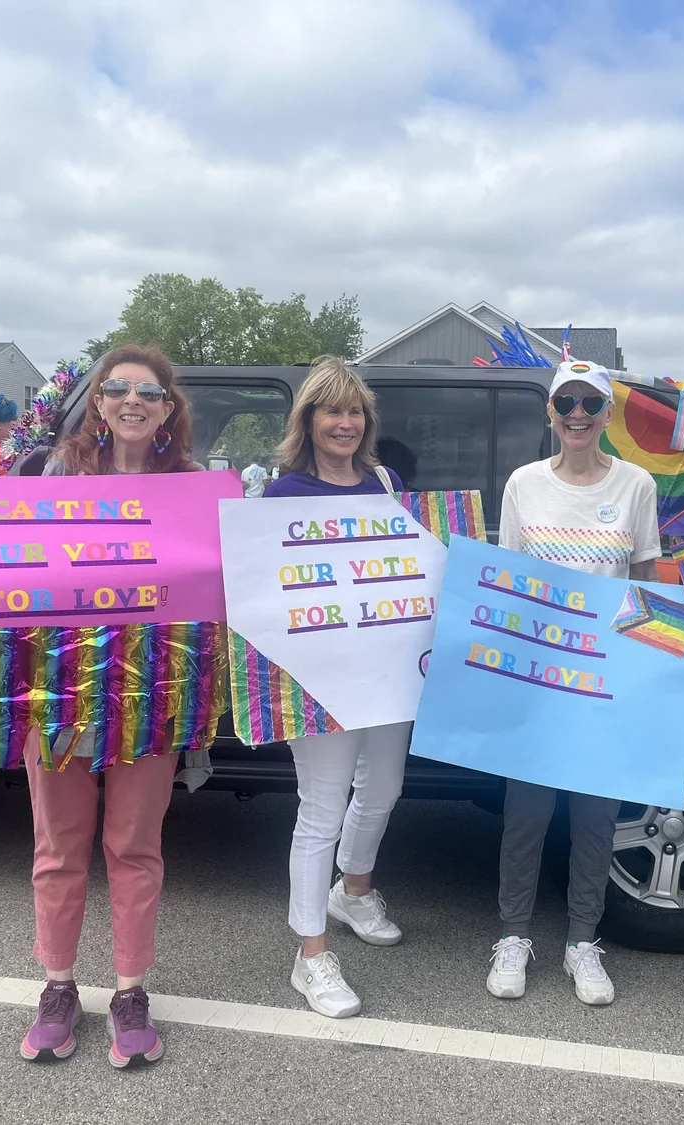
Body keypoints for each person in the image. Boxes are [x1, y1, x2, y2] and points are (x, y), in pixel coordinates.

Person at [19, 345, 200, 1069]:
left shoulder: (192, 487)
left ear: (167, 409)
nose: (133, 401)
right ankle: (58, 986)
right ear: (97, 403)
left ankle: (130, 992)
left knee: (134, 845)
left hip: (152, 692)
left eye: (148, 392)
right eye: (118, 389)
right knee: (58, 846)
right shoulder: (56, 476)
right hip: (60, 687)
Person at [486, 360, 659, 1008]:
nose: (578, 413)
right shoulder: (523, 483)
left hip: (604, 680)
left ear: (608, 412)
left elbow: (645, 580)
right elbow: (507, 579)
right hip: (538, 678)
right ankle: (513, 935)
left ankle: (582, 940)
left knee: (595, 817)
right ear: (550, 413)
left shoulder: (636, 484)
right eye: (566, 403)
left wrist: (645, 672)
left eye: (590, 402)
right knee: (525, 816)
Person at [263, 355, 410, 1020]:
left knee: (384, 789)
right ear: (309, 420)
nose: (345, 422)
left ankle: (352, 891)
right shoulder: (282, 495)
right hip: (319, 676)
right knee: (321, 808)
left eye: (355, 411)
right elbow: (267, 588)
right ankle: (311, 954)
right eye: (332, 411)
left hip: (387, 668)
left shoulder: (385, 482)